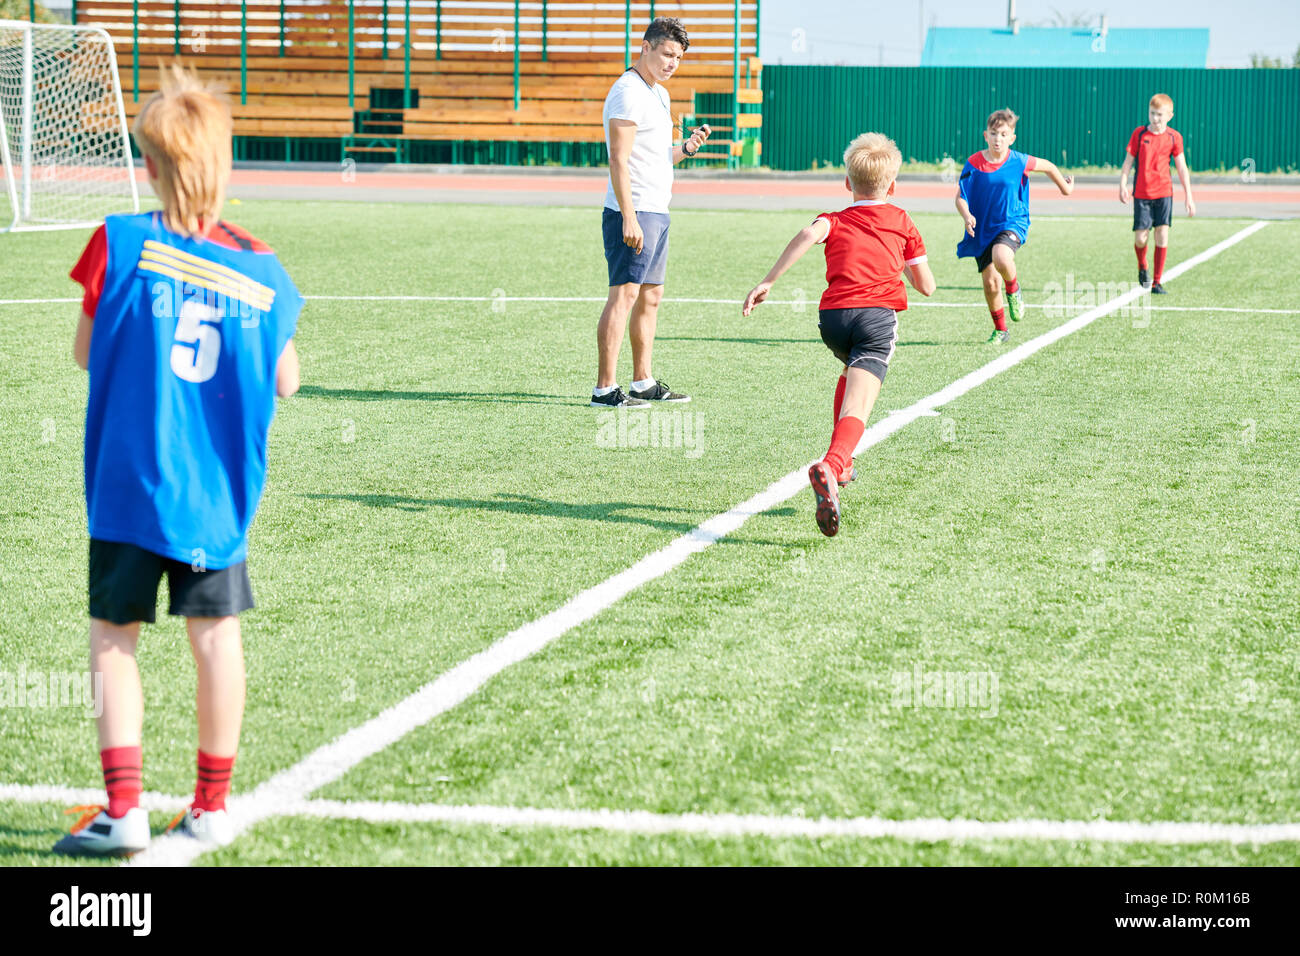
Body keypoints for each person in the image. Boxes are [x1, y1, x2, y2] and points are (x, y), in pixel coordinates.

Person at [53, 65, 303, 856]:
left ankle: (122, 807)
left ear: (153, 166)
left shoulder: (119, 241)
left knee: (113, 634)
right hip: (216, 497)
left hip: (129, 486)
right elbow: (289, 381)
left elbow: (86, 353)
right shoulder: (262, 270)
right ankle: (211, 804)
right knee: (217, 637)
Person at [742, 133, 936, 537]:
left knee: (850, 373)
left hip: (832, 320)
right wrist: (896, 261)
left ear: (848, 183)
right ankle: (832, 464)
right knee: (859, 407)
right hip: (875, 319)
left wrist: (769, 281)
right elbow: (927, 286)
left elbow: (807, 235)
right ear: (894, 185)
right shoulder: (901, 221)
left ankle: (843, 465)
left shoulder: (835, 218)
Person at [592, 16, 711, 408]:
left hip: (658, 210)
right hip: (634, 210)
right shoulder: (627, 92)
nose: (672, 62)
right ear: (646, 48)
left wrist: (687, 149)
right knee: (624, 295)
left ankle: (642, 381)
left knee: (651, 297)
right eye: (667, 53)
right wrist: (628, 216)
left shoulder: (658, 93)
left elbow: (659, 156)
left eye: (678, 57)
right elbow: (618, 159)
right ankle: (605, 390)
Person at [954, 108, 1074, 343]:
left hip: (1012, 222)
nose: (998, 139)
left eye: (1003, 134)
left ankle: (1014, 289)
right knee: (990, 283)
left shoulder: (1020, 161)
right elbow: (960, 196)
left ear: (1012, 138)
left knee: (1002, 257)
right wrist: (967, 215)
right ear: (985, 135)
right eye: (993, 133)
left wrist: (1065, 188)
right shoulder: (974, 163)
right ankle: (1001, 330)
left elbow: (1049, 166)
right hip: (982, 229)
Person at [1119, 93, 1196, 293]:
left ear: (1170, 115)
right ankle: (1142, 265)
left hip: (1164, 194)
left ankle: (1156, 281)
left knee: (1162, 235)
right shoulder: (1139, 134)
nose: (1155, 119)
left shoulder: (1174, 137)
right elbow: (1128, 162)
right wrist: (1122, 184)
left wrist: (1189, 196)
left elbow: (1182, 168)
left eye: (1160, 115)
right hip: (1142, 195)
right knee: (1141, 238)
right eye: (1152, 113)